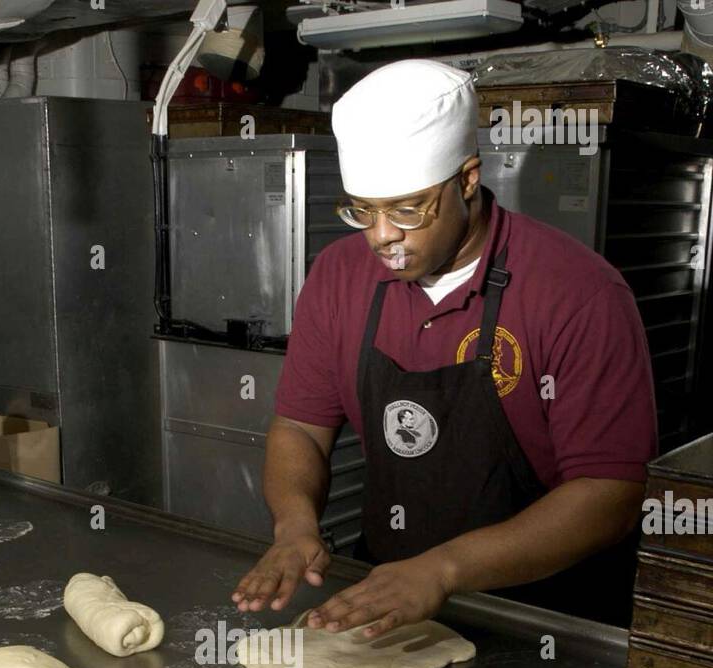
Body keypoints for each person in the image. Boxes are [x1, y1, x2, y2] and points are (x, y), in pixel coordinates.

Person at [232, 59, 656, 632]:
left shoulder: (578, 292)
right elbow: (302, 427)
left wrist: (443, 570)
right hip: (386, 592)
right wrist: (295, 526)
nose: (382, 236)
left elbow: (611, 494)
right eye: (364, 210)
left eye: (408, 210)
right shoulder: (338, 275)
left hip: (543, 614)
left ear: (468, 179)